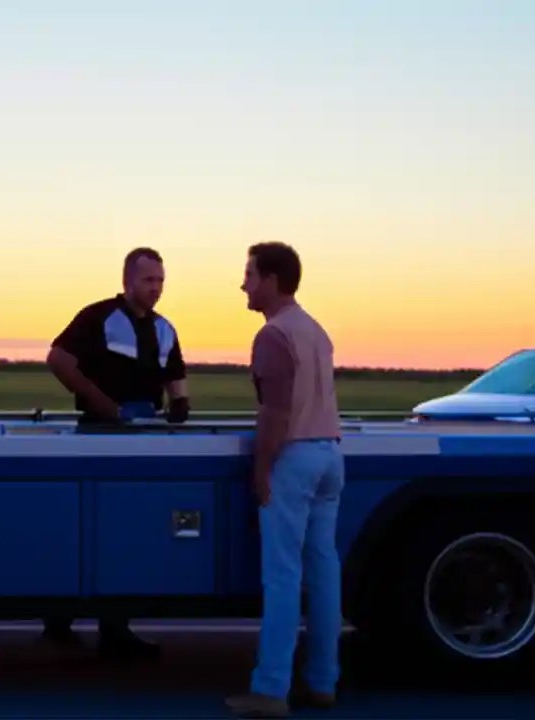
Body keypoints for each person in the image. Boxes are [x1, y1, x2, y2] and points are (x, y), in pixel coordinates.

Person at [42, 246, 190, 658]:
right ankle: (61, 619)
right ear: (127, 281)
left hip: (144, 438)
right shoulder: (98, 317)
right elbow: (58, 359)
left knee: (129, 532)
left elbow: (175, 374)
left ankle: (112, 627)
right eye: (148, 280)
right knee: (87, 530)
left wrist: (180, 402)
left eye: (161, 281)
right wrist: (103, 404)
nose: (156, 288)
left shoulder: (164, 329)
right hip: (98, 436)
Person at [225, 242, 344, 718]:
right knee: (324, 572)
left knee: (282, 576)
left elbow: (275, 411)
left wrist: (262, 469)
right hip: (330, 453)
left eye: (250, 275)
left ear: (272, 281)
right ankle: (323, 681)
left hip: (293, 457)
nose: (244, 285)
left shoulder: (273, 335)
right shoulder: (315, 329)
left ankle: (271, 690)